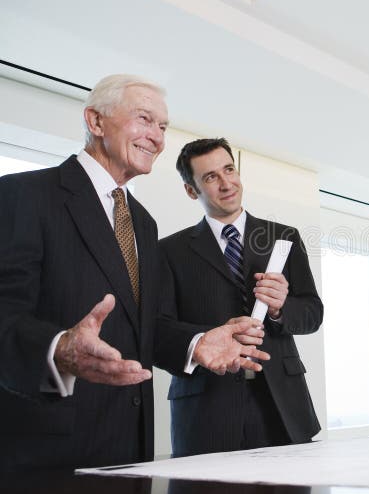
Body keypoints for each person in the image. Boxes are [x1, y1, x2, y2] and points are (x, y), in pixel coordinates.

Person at [0, 75, 268, 475]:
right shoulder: (23, 195)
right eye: (145, 120)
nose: (157, 138)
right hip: (50, 452)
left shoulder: (143, 222)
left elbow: (144, 327)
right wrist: (59, 348)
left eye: (162, 127)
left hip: (131, 449)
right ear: (95, 121)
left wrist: (195, 343)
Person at [159, 138, 322, 456]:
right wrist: (202, 343)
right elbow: (158, 327)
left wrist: (280, 309)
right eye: (210, 177)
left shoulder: (284, 238)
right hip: (206, 407)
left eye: (229, 169)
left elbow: (312, 313)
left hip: (282, 405)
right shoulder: (168, 252)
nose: (226, 183)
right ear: (191, 191)